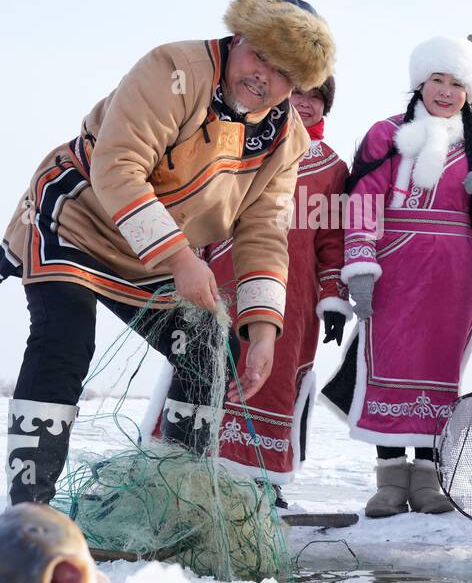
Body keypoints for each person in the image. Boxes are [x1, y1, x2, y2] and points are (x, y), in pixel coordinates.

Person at [0, 0, 335, 505]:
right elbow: (118, 167)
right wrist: (180, 259)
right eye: (259, 55)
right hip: (78, 220)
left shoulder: (287, 141)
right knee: (65, 343)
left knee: (208, 347)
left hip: (157, 249)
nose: (264, 77)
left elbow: (263, 230)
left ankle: (175, 500)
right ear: (238, 38)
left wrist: (262, 329)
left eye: (284, 73)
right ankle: (29, 506)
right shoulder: (175, 68)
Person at [321, 36, 472, 517]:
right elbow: (362, 203)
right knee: (388, 364)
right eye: (437, 81)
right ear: (419, 83)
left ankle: (428, 479)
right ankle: (389, 479)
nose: (446, 92)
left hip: (453, 276)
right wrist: (360, 265)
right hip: (395, 268)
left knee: (441, 370)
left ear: (470, 93)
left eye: (457, 84)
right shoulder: (385, 134)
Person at [142, 77, 351, 503]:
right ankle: (193, 468)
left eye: (316, 98)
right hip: (222, 278)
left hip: (293, 295)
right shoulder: (237, 144)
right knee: (210, 361)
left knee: (275, 377)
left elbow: (332, 241)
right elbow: (200, 208)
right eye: (298, 94)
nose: (305, 105)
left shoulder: (331, 168)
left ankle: (263, 480)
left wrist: (333, 297)